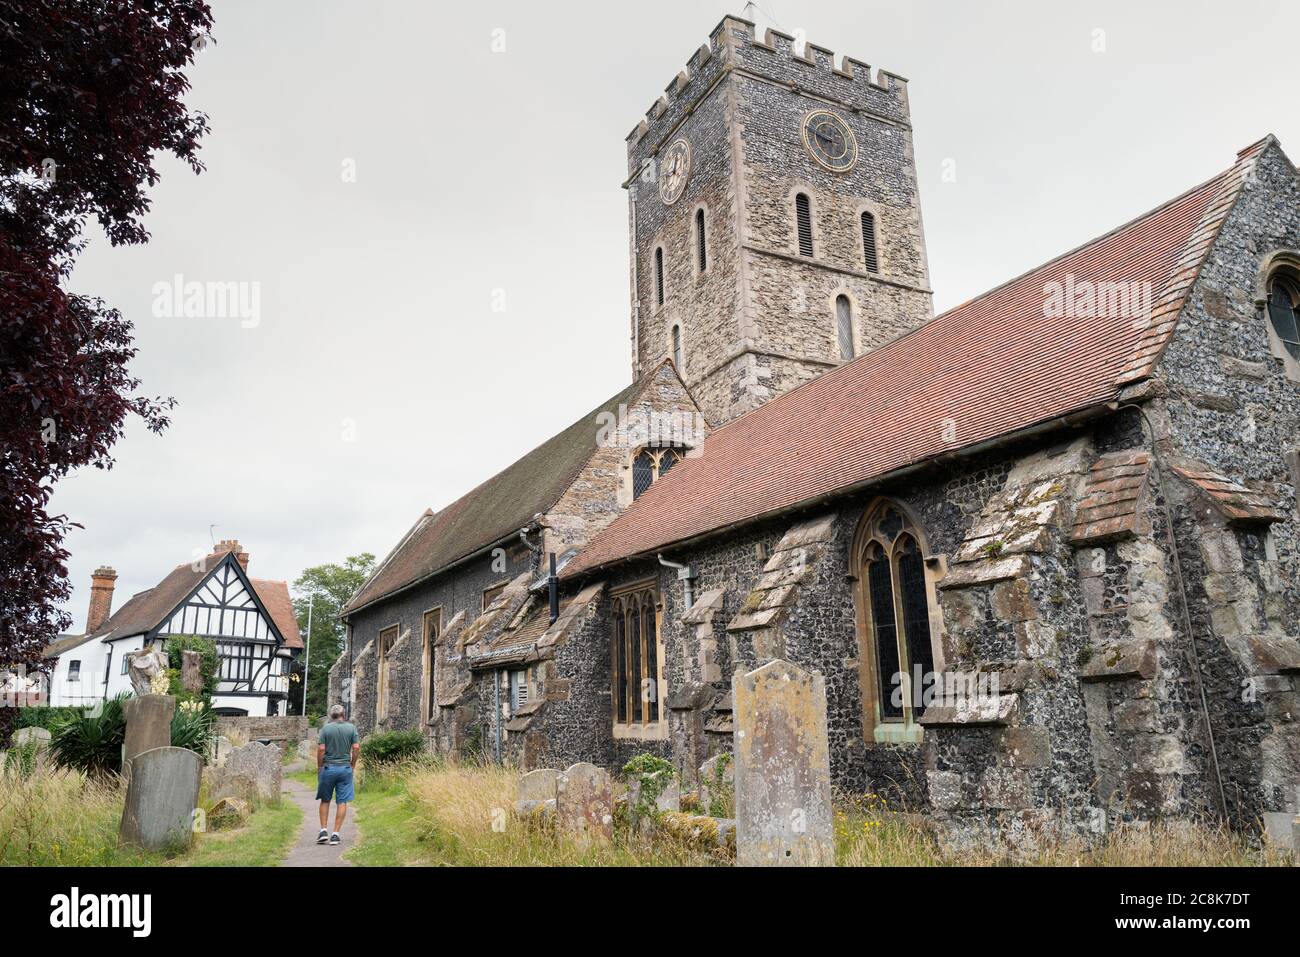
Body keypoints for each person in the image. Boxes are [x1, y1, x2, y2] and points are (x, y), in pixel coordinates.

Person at [316, 703, 360, 846]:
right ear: (344, 715)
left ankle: (323, 830)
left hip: (328, 768)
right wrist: (352, 764)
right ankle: (335, 834)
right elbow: (356, 748)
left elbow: (321, 749)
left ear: (331, 715)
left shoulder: (326, 729)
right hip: (345, 769)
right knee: (342, 801)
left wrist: (319, 766)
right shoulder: (351, 728)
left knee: (325, 800)